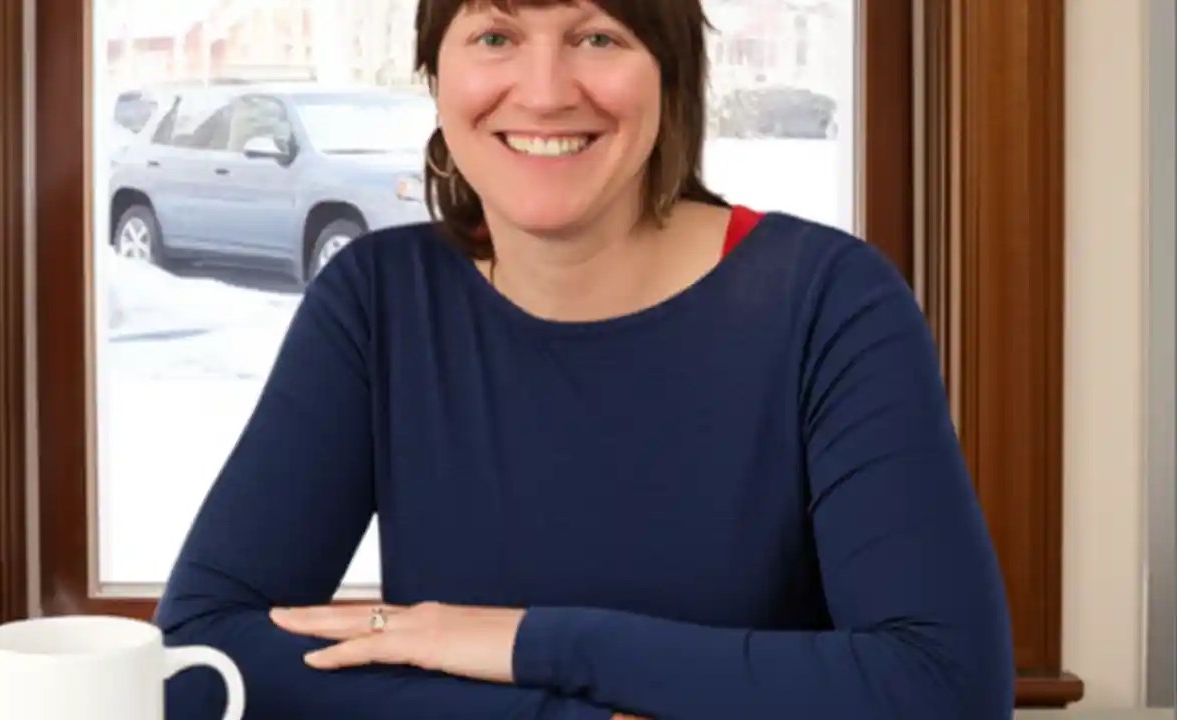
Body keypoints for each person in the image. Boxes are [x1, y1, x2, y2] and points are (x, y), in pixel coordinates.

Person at [154, 0, 1016, 717]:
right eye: (495, 36)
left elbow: (946, 689)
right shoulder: (378, 299)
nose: (544, 91)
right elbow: (200, 655)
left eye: (597, 36)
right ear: (437, 74)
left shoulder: (830, 301)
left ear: (671, 76)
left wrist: (526, 641)